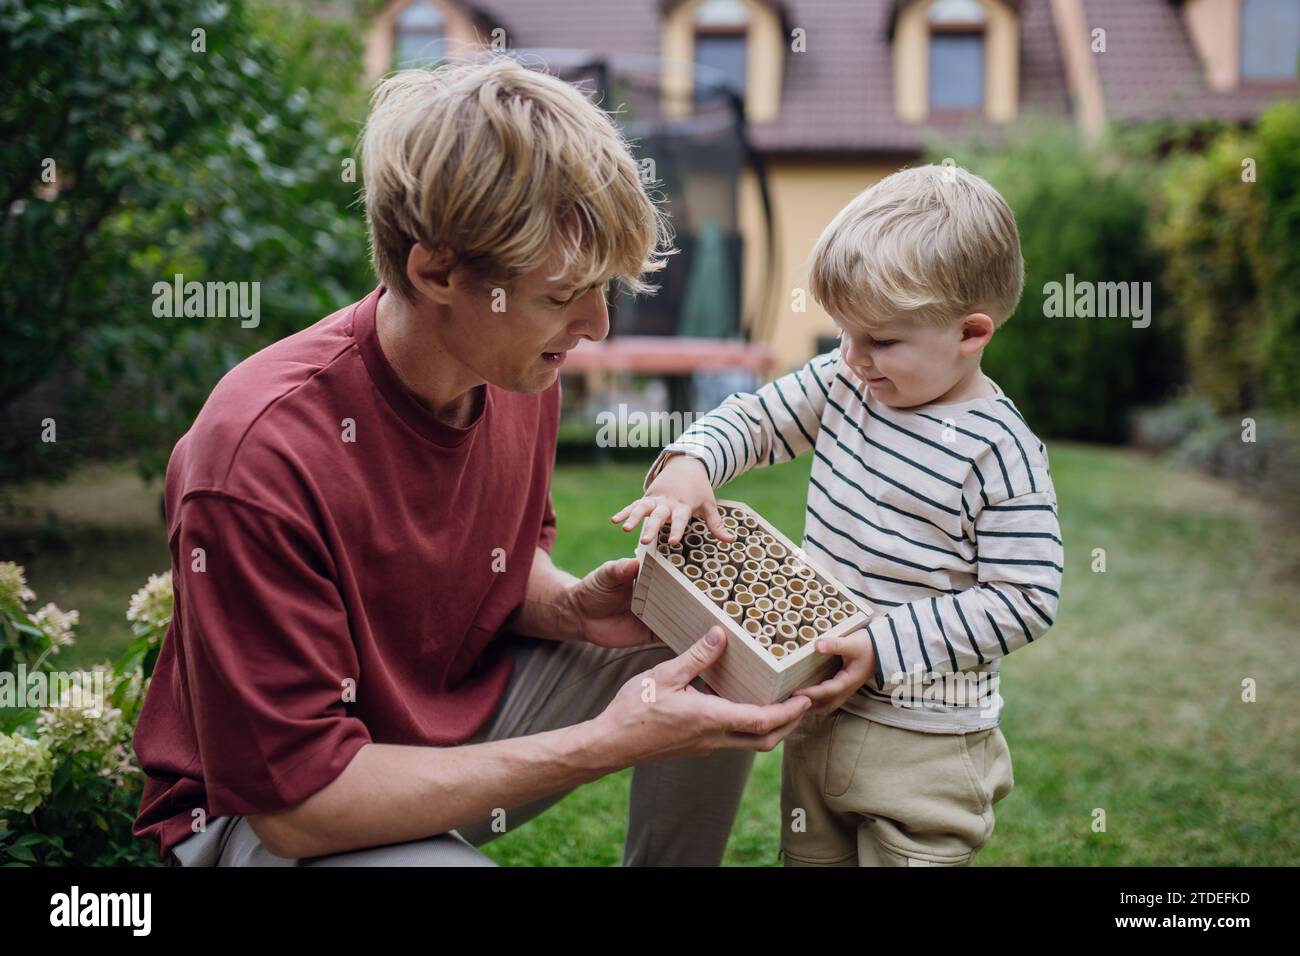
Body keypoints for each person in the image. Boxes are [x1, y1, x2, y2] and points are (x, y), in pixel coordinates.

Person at [131, 56, 811, 867]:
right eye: (563, 296)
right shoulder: (255, 457)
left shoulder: (520, 368)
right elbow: (300, 809)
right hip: (266, 820)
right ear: (437, 270)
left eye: (605, 291)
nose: (596, 326)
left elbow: (492, 552)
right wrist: (604, 742)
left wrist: (564, 605)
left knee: (706, 644)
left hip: (449, 723)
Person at [612, 164, 1064, 866]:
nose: (851, 357)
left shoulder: (998, 450)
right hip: (820, 713)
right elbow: (757, 420)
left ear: (971, 333)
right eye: (842, 333)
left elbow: (1027, 596)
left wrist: (885, 645)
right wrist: (693, 461)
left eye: (880, 341)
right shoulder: (846, 382)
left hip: (927, 746)